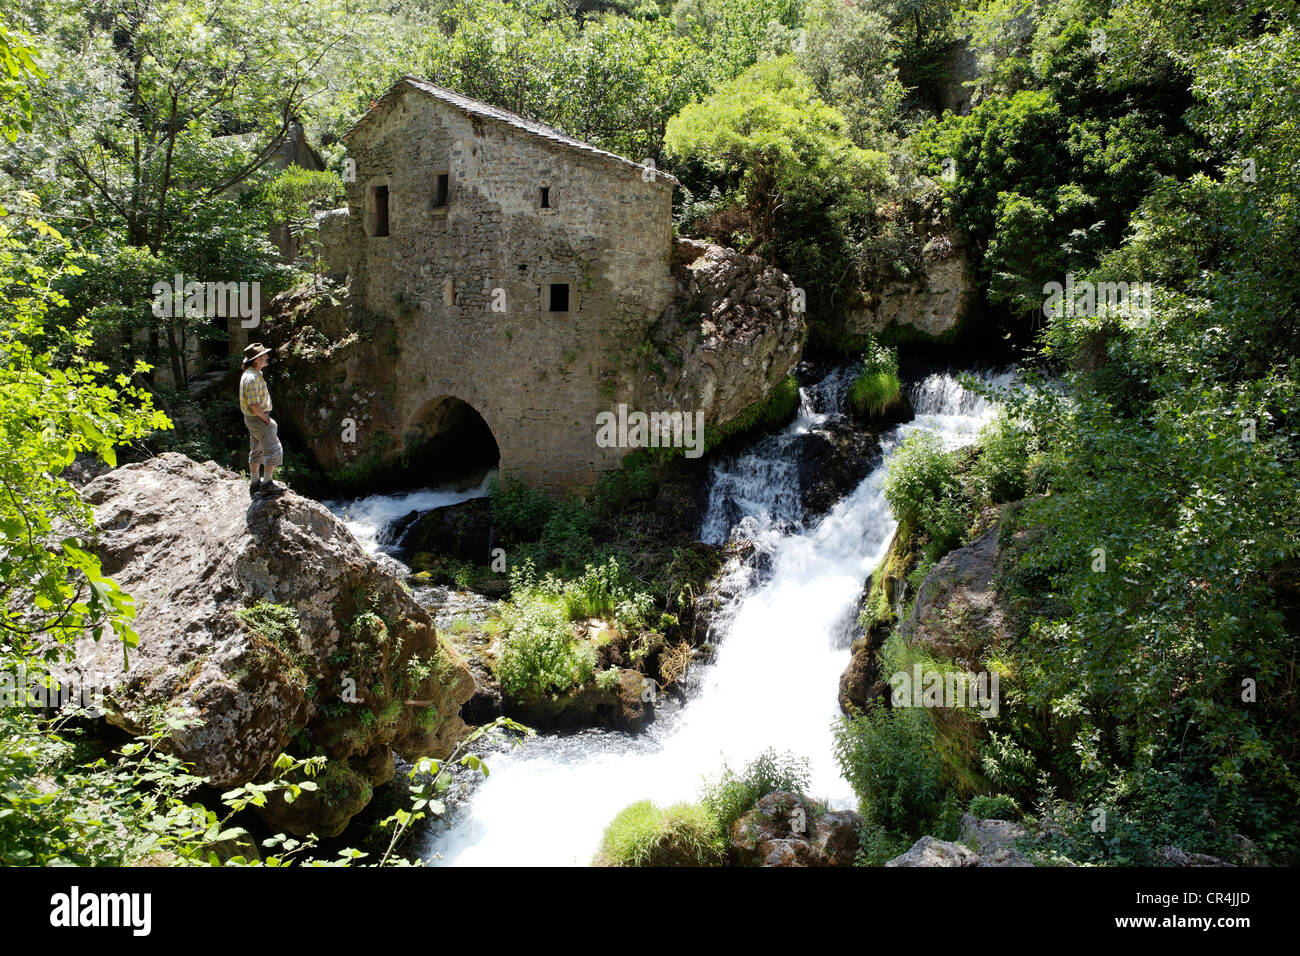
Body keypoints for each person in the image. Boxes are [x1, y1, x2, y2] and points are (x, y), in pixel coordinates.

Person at [239, 343, 286, 498]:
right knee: (274, 448)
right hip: (258, 418)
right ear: (257, 359)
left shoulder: (251, 374)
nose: (266, 357)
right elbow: (254, 405)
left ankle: (254, 483)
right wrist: (267, 421)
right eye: (264, 355)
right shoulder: (252, 378)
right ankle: (266, 484)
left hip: (252, 419)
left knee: (256, 449)